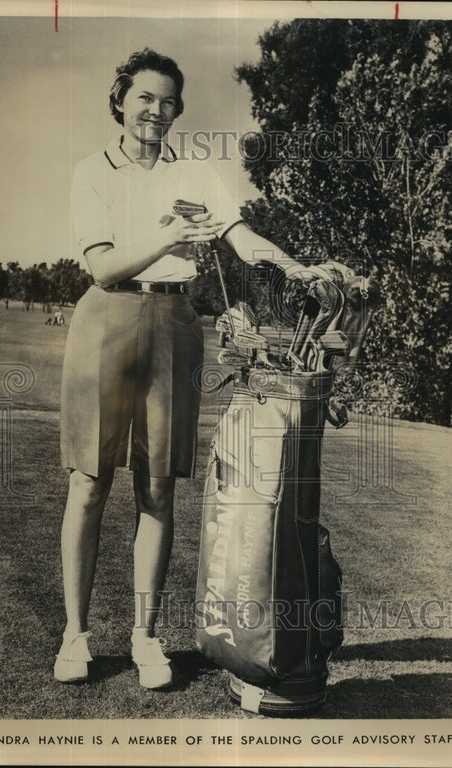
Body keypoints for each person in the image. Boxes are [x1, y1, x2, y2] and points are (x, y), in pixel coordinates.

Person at [54, 48, 307, 689]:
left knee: (159, 488)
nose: (156, 111)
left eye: (169, 102)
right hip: (106, 321)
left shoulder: (194, 172)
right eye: (145, 97)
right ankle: (75, 637)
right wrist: (170, 236)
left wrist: (292, 264)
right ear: (120, 100)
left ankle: (145, 638)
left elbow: (241, 235)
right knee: (90, 483)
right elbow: (105, 267)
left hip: (174, 326)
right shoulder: (92, 171)